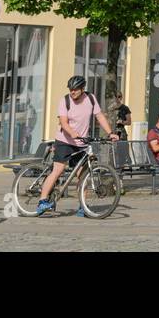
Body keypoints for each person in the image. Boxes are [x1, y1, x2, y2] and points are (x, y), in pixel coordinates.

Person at [36, 76, 119, 216]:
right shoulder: (65, 101)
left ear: (82, 89)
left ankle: (82, 206)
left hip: (81, 143)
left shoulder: (91, 99)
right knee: (58, 169)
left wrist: (110, 132)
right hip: (64, 141)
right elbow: (63, 122)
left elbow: (100, 116)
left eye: (75, 90)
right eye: (70, 89)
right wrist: (72, 132)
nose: (72, 92)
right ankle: (42, 201)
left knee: (83, 175)